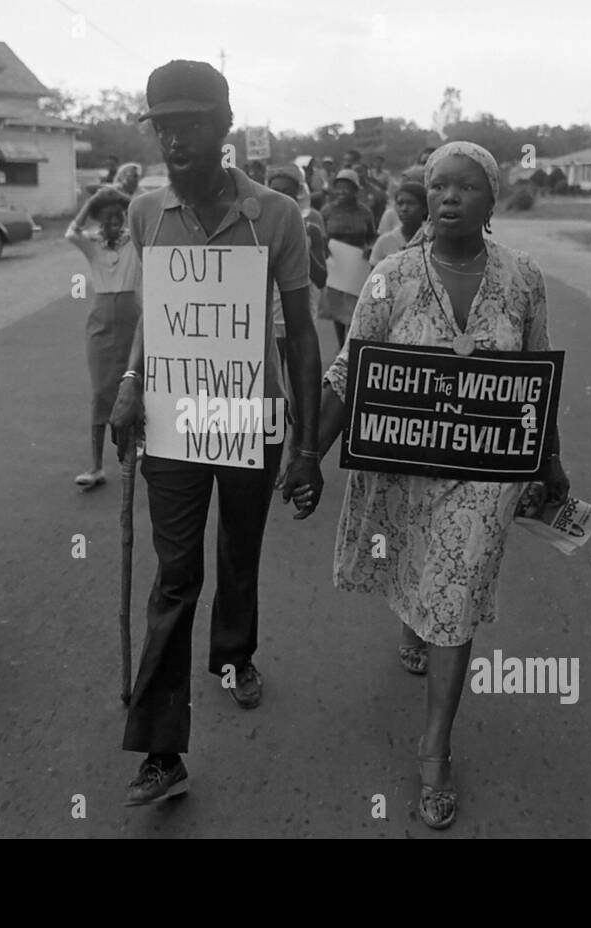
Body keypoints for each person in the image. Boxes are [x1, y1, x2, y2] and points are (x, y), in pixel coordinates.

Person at [298, 141, 569, 830]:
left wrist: (550, 464)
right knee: (414, 571)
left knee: (456, 594)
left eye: (466, 187)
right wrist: (308, 455)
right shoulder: (390, 278)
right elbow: (348, 375)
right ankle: (412, 626)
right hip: (402, 473)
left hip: (483, 478)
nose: (449, 197)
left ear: (492, 198)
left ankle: (434, 750)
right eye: (438, 185)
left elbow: (537, 380)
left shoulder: (525, 280)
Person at [109, 59, 324, 806]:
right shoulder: (146, 215)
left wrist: (305, 444)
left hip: (247, 416)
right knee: (175, 575)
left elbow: (300, 335)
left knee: (238, 550)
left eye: (191, 124)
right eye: (163, 125)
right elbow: (155, 316)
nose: (175, 140)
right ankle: (161, 749)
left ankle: (234, 655)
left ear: (223, 128)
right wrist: (131, 384)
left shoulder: (276, 217)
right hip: (171, 418)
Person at [65, 187, 141, 489]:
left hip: (131, 318)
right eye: (106, 219)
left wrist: (124, 199)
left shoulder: (134, 242)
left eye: (119, 218)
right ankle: (96, 466)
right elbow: (72, 232)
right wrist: (91, 202)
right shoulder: (93, 245)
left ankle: (137, 446)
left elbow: (148, 220)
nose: (113, 224)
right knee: (100, 392)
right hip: (100, 322)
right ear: (99, 222)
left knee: (134, 382)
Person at [266, 163, 328, 461]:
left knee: (300, 391)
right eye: (276, 192)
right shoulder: (256, 222)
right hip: (268, 322)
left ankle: (297, 450)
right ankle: (273, 456)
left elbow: (321, 277)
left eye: (288, 193)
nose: (282, 198)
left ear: (299, 196)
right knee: (274, 396)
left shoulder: (312, 226)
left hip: (298, 320)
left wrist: (302, 242)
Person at [319, 168, 377, 346]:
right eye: (339, 187)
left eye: (347, 188)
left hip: (357, 266)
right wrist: (324, 251)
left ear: (356, 190)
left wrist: (370, 247)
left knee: (355, 308)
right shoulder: (327, 211)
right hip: (336, 266)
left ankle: (352, 345)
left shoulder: (365, 212)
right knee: (337, 308)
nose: (342, 191)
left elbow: (372, 236)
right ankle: (340, 345)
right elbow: (321, 236)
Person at [369, 180, 427, 267]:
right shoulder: (385, 242)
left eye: (411, 203)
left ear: (424, 208)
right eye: (400, 204)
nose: (404, 208)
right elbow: (375, 278)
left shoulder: (432, 239)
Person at [379, 165, 425, 234]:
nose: (403, 186)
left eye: (408, 182)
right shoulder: (391, 214)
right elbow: (384, 241)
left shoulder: (433, 213)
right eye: (402, 182)